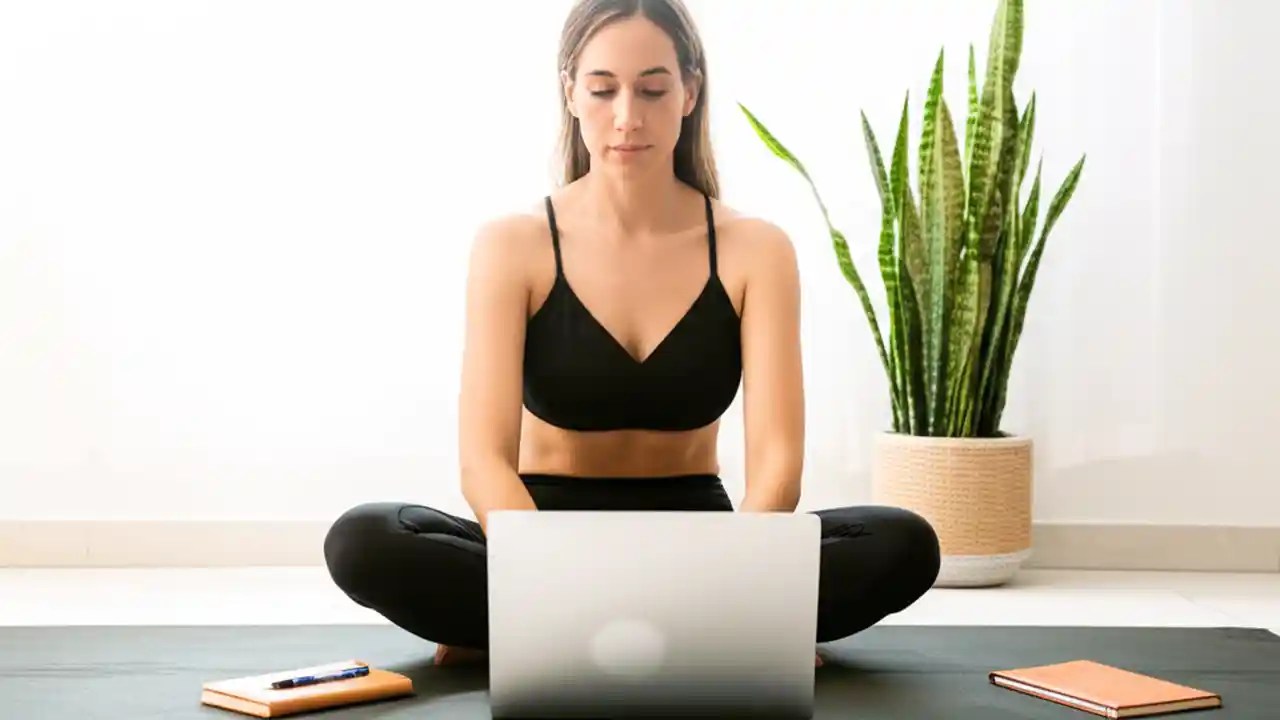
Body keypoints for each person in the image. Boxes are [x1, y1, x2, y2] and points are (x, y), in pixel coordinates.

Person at [322, 0, 940, 669]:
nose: (627, 117)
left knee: (901, 542)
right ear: (569, 92)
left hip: (701, 544)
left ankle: (554, 632)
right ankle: (703, 633)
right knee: (367, 539)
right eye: (602, 89)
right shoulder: (513, 245)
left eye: (652, 89)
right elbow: (484, 464)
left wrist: (744, 575)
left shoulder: (754, 250)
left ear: (689, 92)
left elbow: (776, 470)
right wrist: (547, 575)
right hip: (541, 534)